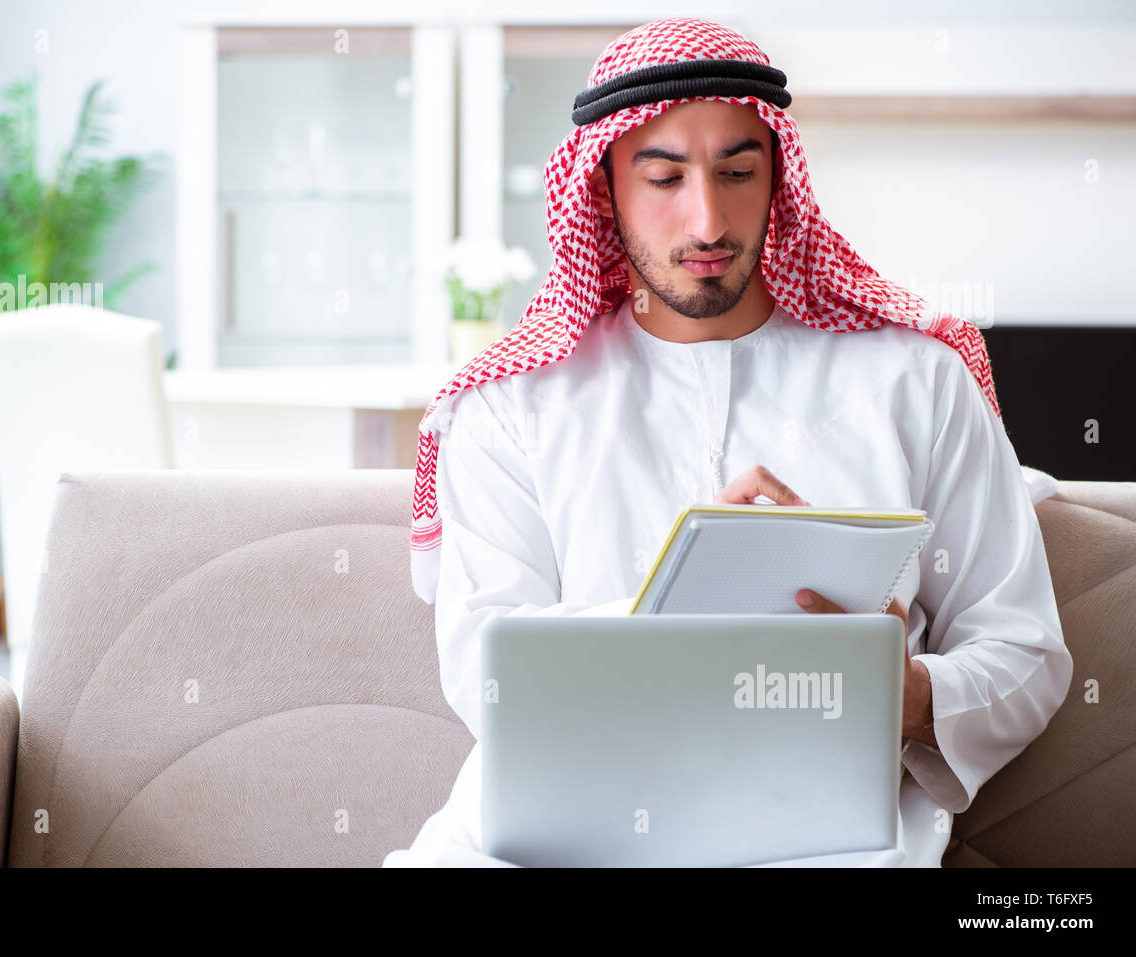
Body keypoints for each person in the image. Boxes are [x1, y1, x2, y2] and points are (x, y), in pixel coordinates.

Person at [383, 17, 1073, 867]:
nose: (706, 220)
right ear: (601, 190)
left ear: (777, 180)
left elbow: (1026, 653)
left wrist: (908, 691)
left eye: (737, 173)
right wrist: (687, 610)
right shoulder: (509, 406)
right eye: (665, 176)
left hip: (823, 844)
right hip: (549, 835)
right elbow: (488, 679)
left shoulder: (915, 382)